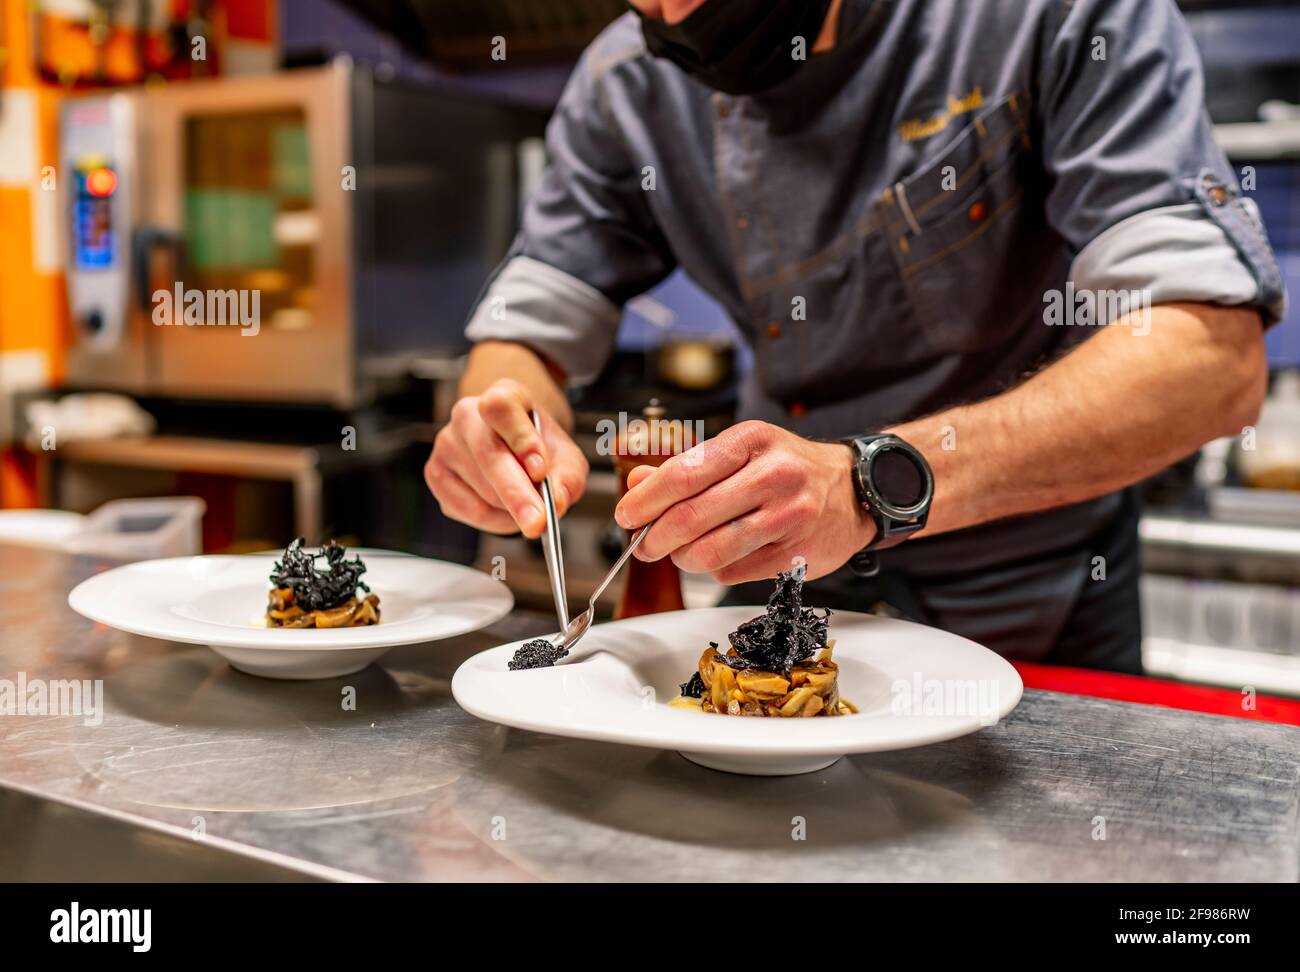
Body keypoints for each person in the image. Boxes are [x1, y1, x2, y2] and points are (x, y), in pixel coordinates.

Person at [424, 0, 1287, 672]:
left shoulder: (1045, 19)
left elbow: (1208, 358)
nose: (673, 19)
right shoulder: (622, 82)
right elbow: (526, 334)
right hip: (774, 593)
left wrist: (870, 485)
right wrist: (497, 414)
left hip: (1033, 597)